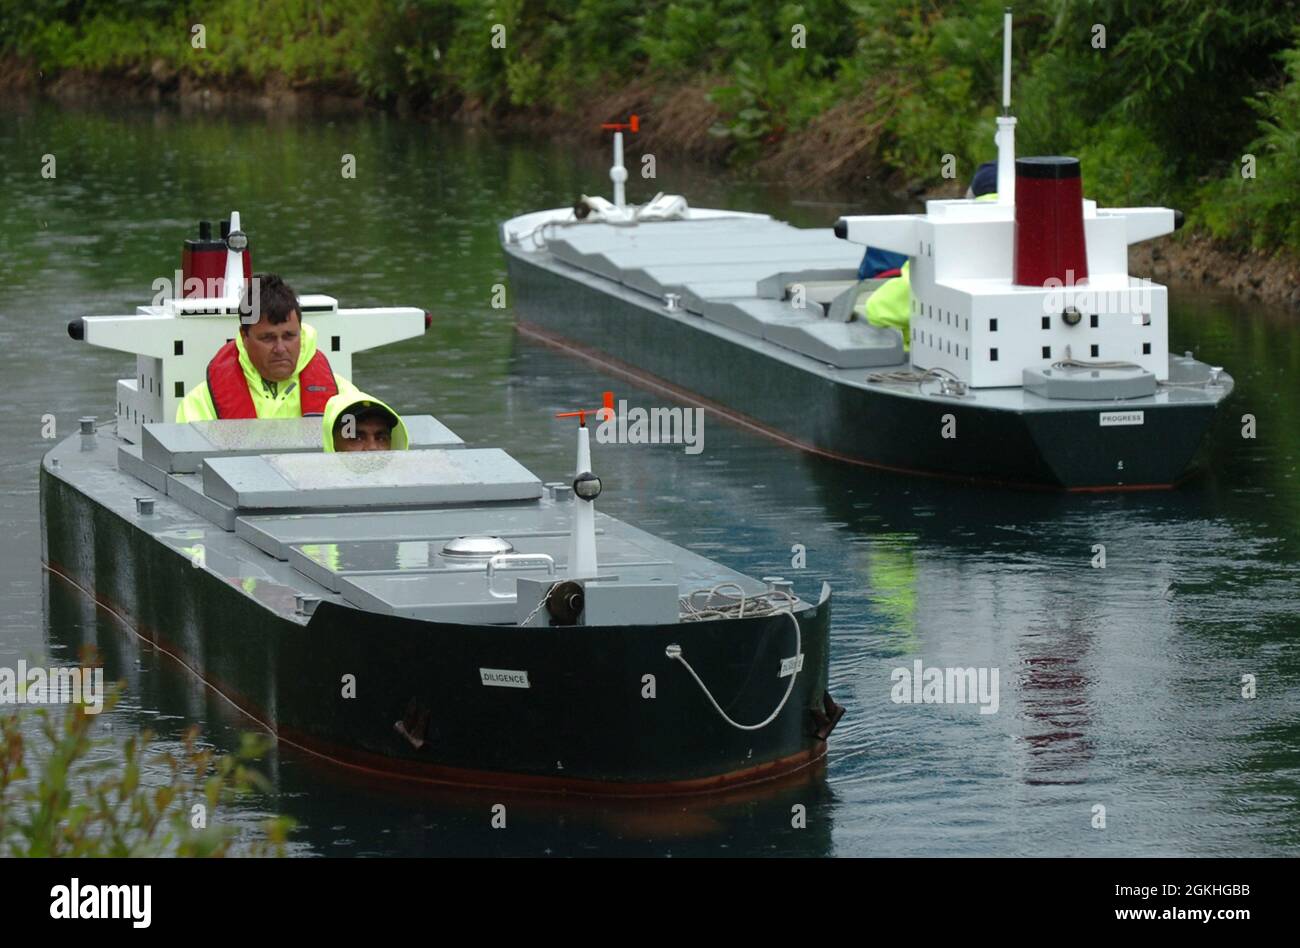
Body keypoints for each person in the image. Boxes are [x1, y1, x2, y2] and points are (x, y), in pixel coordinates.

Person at [856, 161, 1000, 346]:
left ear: (971, 196)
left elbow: (879, 311)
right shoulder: (1042, 235)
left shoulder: (946, 240)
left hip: (931, 362)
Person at [175, 273, 348, 422]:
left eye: (289, 336)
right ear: (244, 337)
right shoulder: (200, 405)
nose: (280, 348)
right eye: (267, 338)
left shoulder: (343, 395)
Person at [321, 391, 409, 452]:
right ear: (333, 442)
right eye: (357, 438)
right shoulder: (313, 479)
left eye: (381, 438)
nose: (372, 448)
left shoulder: (407, 478)